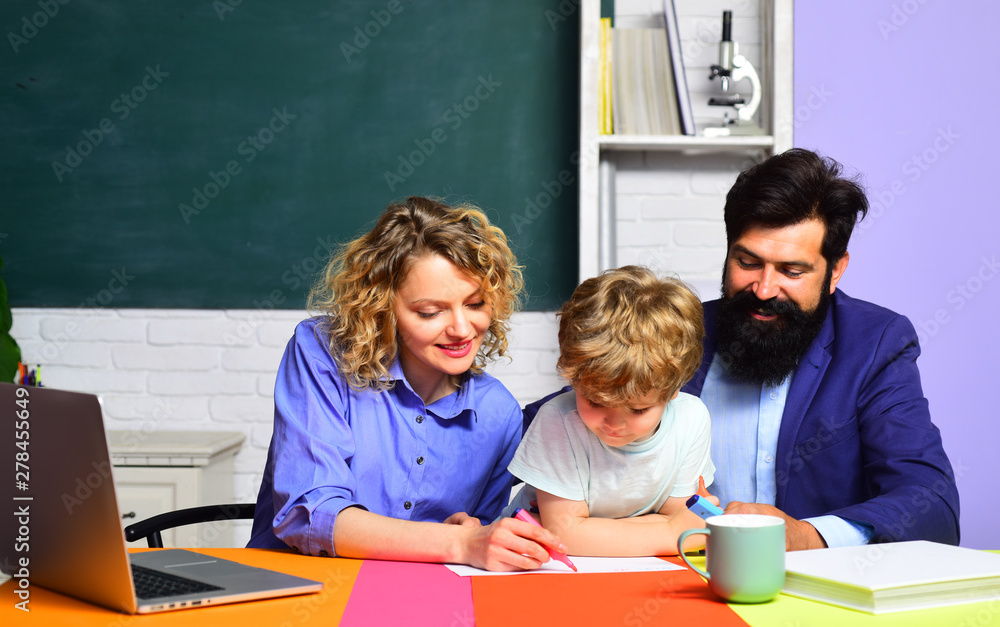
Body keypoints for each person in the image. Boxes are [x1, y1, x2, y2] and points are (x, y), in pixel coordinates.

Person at [248, 196, 566, 571]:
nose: (462, 329)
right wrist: (458, 542)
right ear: (381, 307)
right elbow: (309, 514)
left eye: (476, 303)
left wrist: (472, 535)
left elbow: (474, 540)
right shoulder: (322, 354)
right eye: (430, 312)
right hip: (298, 591)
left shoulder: (498, 413)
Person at [680, 148, 960, 550]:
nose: (763, 289)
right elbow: (573, 414)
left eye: (792, 271)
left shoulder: (877, 344)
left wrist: (807, 537)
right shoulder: (680, 328)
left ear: (835, 271)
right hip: (680, 582)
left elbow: (932, 506)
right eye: (748, 262)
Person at [506, 266, 718, 556]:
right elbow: (563, 537)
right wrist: (670, 533)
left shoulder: (691, 418)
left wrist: (589, 530)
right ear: (574, 381)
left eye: (638, 409)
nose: (614, 424)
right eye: (595, 402)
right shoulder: (558, 420)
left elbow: (680, 517)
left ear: (673, 390)